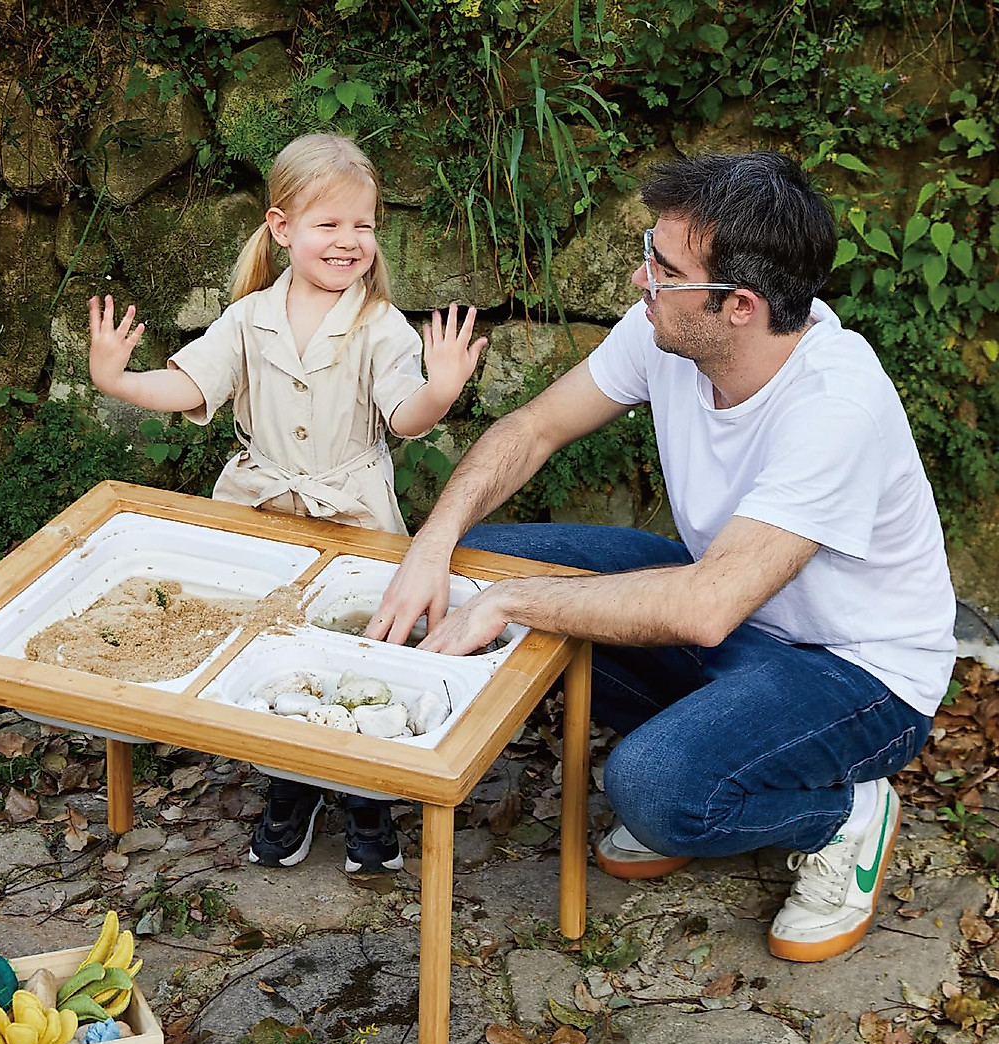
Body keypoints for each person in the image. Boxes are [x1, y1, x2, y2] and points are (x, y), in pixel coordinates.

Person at [365, 151, 956, 963]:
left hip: (854, 676)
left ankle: (844, 816)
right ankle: (719, 753)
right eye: (651, 249)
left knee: (652, 788)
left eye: (665, 267)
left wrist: (507, 606)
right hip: (730, 616)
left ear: (738, 306)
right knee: (477, 560)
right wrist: (431, 547)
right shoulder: (670, 331)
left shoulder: (835, 409)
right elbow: (532, 429)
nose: (642, 279)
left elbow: (702, 610)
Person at [88, 132, 486, 875]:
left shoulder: (381, 324)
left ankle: (368, 795)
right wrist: (121, 382)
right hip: (263, 516)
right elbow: (192, 386)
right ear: (281, 229)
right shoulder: (249, 318)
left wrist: (443, 386)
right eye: (328, 225)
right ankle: (291, 789)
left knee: (367, 648)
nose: (349, 242)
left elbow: (405, 415)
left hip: (357, 516)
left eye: (362, 225)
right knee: (276, 651)